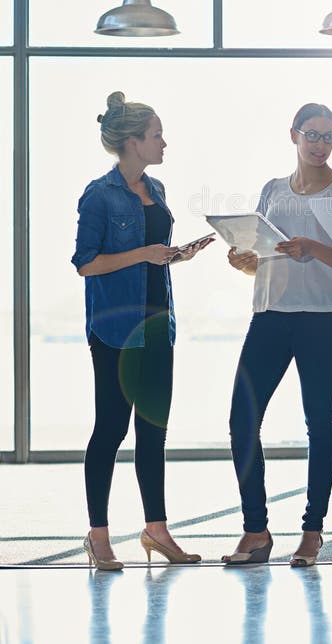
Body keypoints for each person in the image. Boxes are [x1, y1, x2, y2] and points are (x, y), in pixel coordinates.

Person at [72, 91, 214, 571]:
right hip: (115, 330)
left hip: (158, 327)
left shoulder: (159, 191)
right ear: (132, 141)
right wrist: (144, 254)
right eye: (156, 136)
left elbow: (155, 253)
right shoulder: (99, 195)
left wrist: (177, 254)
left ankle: (156, 530)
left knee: (153, 431)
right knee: (110, 430)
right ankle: (98, 536)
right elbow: (86, 264)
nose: (163, 143)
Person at [222, 103, 332, 568]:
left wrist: (313, 248)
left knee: (319, 423)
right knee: (242, 420)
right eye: (313, 134)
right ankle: (256, 530)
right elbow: (265, 253)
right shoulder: (272, 191)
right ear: (294, 136)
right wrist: (248, 262)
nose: (320, 144)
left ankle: (312, 530)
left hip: (324, 318)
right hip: (269, 315)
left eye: (329, 136)